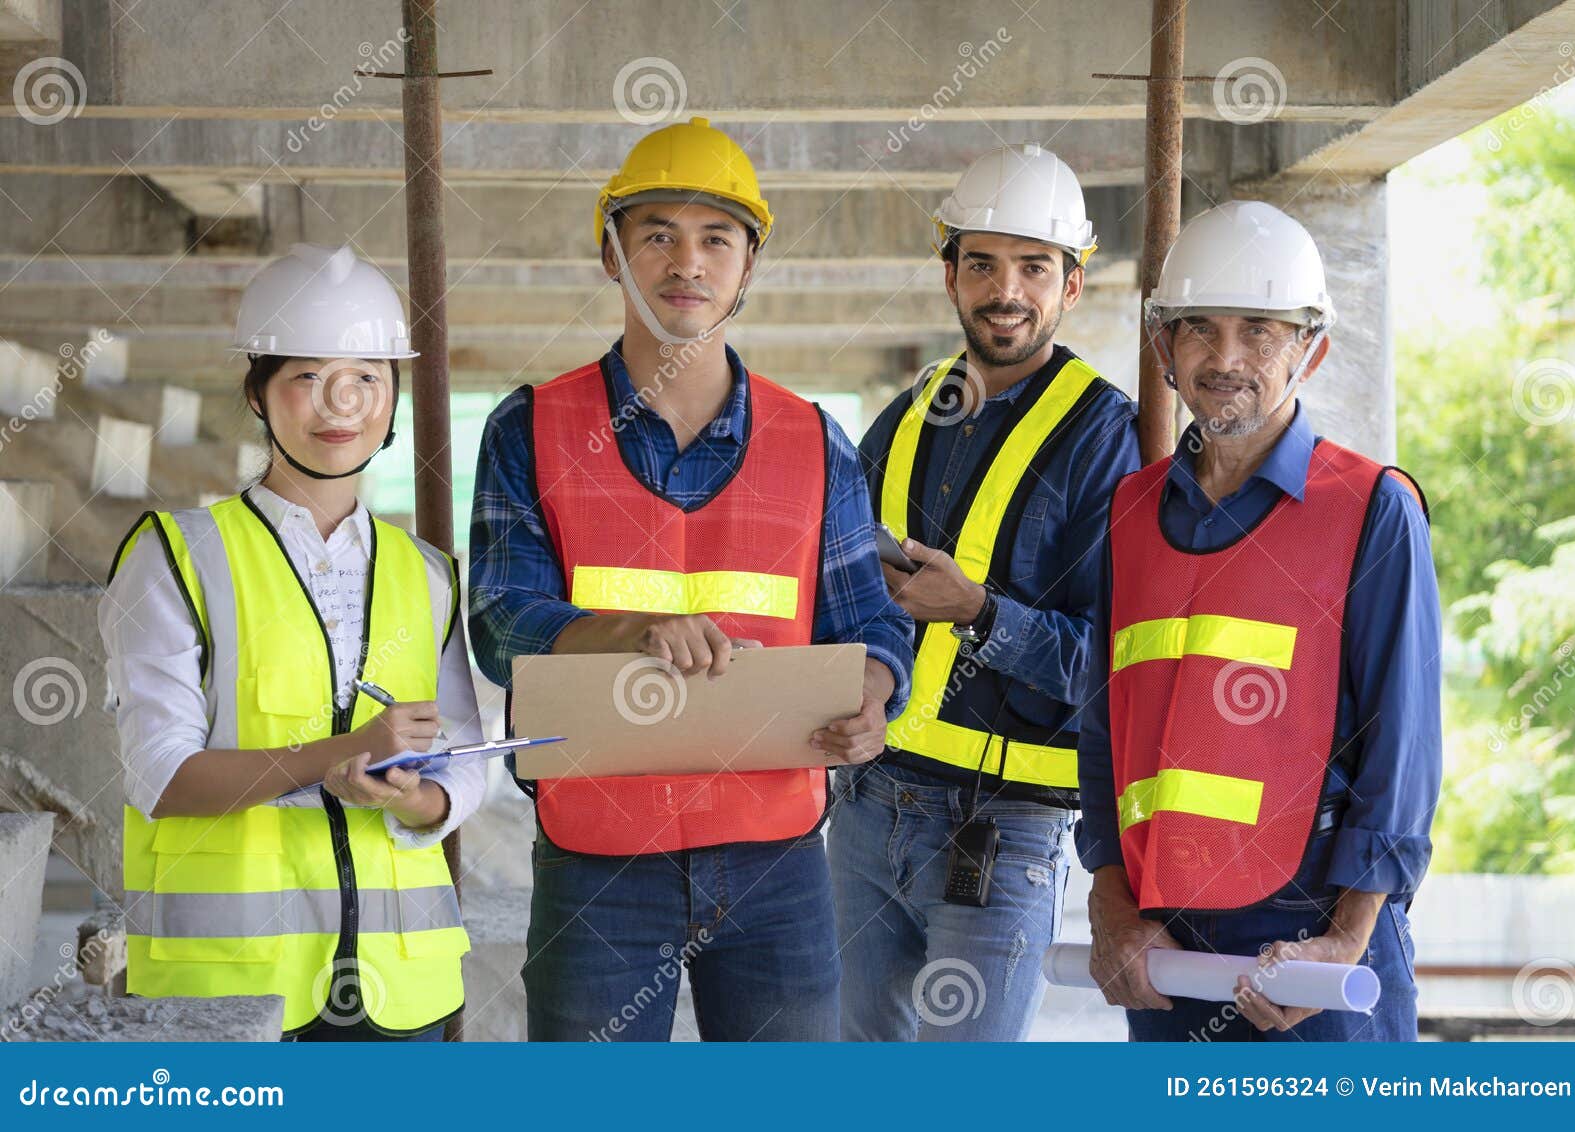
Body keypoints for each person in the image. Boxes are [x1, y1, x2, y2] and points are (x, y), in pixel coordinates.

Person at [469, 117, 914, 1041]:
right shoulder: (530, 428)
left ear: (747, 267)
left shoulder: (815, 440)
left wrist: (875, 695)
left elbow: (868, 621)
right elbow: (501, 623)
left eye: (717, 237)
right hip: (598, 860)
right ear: (612, 255)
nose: (687, 261)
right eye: (657, 234)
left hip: (777, 863)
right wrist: (624, 634)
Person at [100, 243, 485, 1041]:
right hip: (231, 998)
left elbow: (464, 763)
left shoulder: (430, 574)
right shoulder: (177, 555)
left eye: (366, 379)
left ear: (392, 393)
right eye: (307, 378)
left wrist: (414, 796)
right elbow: (161, 777)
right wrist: (338, 755)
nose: (340, 405)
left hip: (404, 996)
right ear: (258, 393)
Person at [1077, 200, 1442, 1041]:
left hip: (1319, 937)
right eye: (1199, 327)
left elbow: (1405, 747)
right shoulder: (1128, 513)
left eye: (1261, 329)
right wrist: (1111, 899)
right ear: (1163, 344)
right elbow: (1106, 728)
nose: (1227, 356)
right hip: (1167, 943)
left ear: (1310, 348)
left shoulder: (1371, 508)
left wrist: (1346, 940)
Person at [831, 143, 1141, 1040]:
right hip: (863, 806)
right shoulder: (907, 413)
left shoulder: (1107, 440)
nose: (1006, 289)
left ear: (1072, 285)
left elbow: (1114, 667)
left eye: (1034, 267)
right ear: (950, 275)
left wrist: (981, 616)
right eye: (983, 263)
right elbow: (841, 592)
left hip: (1000, 833)